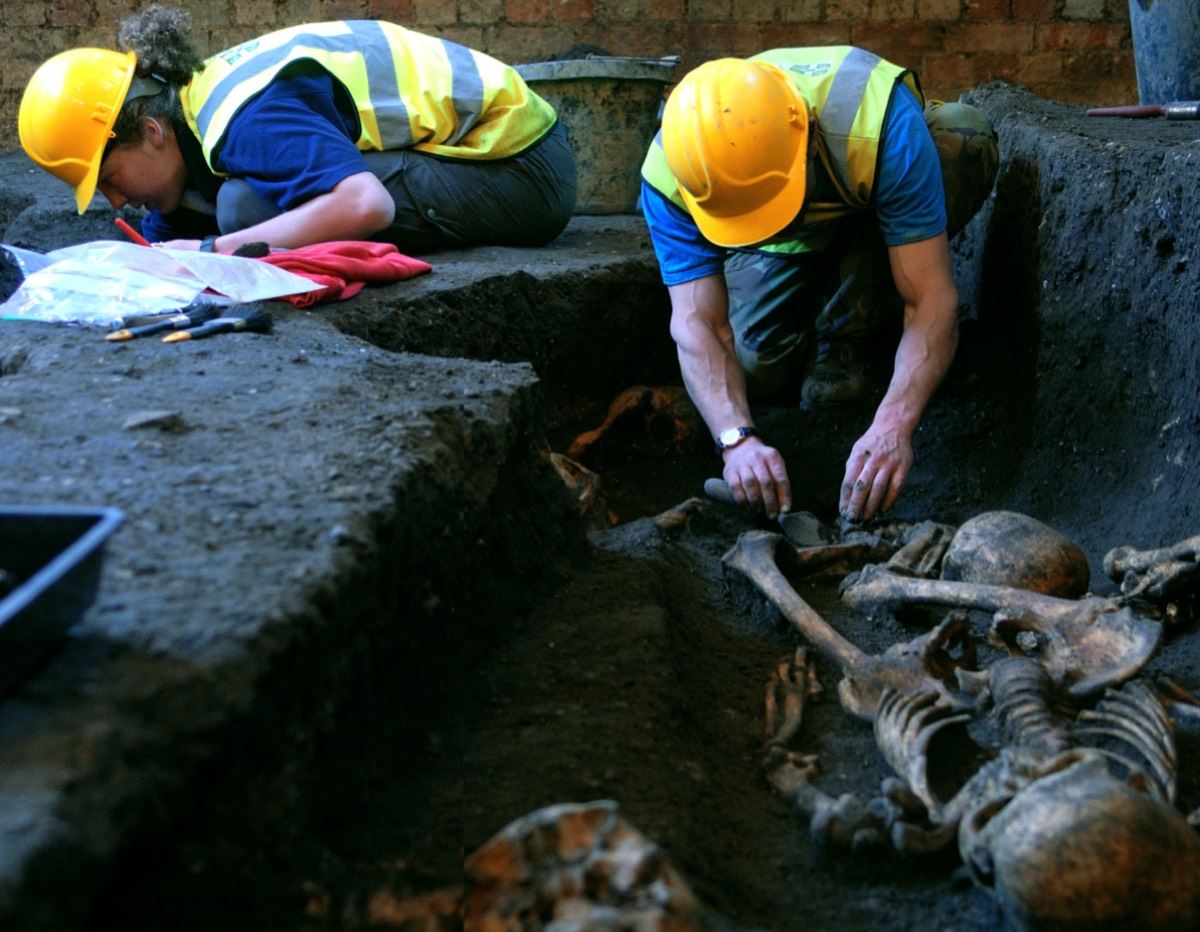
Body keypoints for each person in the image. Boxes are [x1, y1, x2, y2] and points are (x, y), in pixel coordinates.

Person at [640, 48, 998, 523]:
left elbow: (931, 299)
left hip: (868, 206)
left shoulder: (880, 125)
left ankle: (852, 332)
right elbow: (697, 323)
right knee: (754, 371)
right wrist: (736, 441)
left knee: (961, 139)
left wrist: (895, 425)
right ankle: (814, 299)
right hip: (779, 246)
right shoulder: (676, 170)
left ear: (808, 143)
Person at [18, 4, 577, 255]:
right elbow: (173, 232)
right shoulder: (190, 116)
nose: (115, 201)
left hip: (524, 170)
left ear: (150, 131)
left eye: (110, 177)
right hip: (495, 162)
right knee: (233, 205)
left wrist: (216, 248)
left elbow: (367, 206)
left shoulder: (243, 119)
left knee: (245, 211)